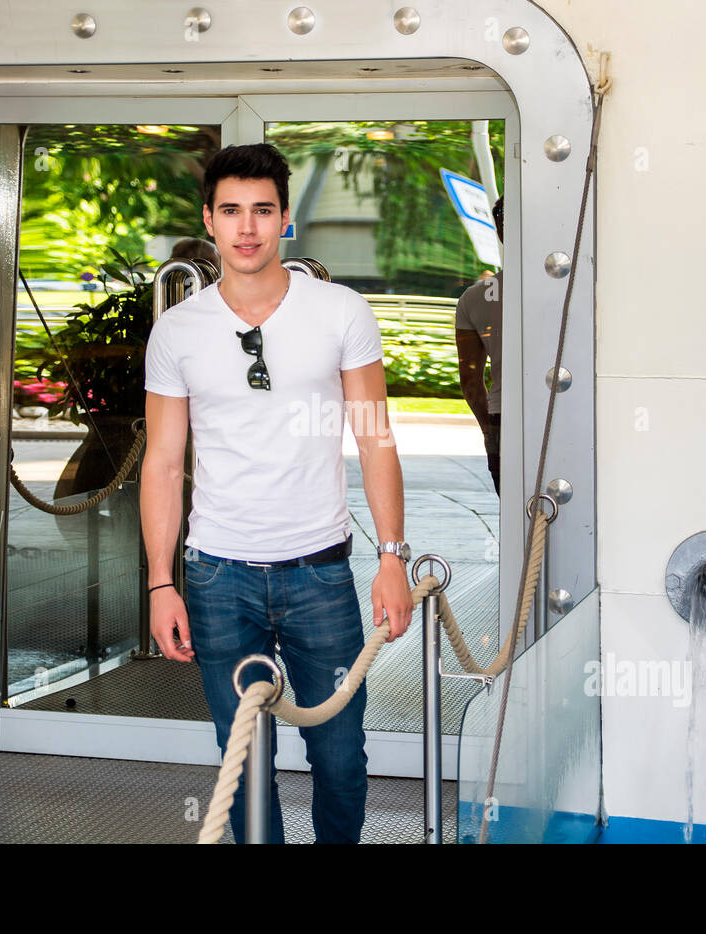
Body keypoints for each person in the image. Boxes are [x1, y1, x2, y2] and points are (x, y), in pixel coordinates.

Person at [140, 142, 413, 844]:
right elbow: (164, 464)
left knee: (341, 757)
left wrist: (392, 557)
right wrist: (160, 584)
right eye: (231, 211)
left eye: (263, 210)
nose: (248, 227)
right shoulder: (178, 330)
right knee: (243, 762)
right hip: (216, 577)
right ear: (209, 220)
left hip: (319, 570)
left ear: (285, 219)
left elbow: (375, 437)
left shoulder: (340, 311)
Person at [455, 195, 505, 495]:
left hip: (503, 417)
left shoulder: (475, 298)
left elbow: (470, 381)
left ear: (500, 232)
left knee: (515, 518)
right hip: (566, 413)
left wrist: (489, 431)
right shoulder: (575, 288)